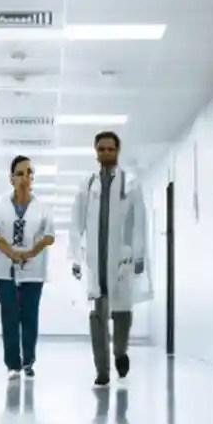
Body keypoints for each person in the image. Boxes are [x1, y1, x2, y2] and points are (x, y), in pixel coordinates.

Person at [69, 131, 152, 388]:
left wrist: (138, 254)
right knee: (98, 316)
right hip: (96, 261)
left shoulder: (130, 183)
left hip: (122, 259)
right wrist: (75, 257)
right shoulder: (87, 184)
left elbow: (139, 221)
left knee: (123, 313)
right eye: (101, 149)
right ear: (96, 152)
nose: (105, 153)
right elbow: (75, 223)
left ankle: (120, 352)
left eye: (110, 149)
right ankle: (102, 370)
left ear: (118, 151)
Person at [0, 155, 56, 380]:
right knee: (9, 316)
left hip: (33, 272)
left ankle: (28, 361)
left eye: (29, 173)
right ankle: (12, 365)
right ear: (11, 178)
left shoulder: (42, 208)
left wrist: (30, 253)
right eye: (20, 173)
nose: (25, 178)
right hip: (3, 271)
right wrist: (11, 253)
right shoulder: (0, 206)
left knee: (29, 317)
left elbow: (49, 237)